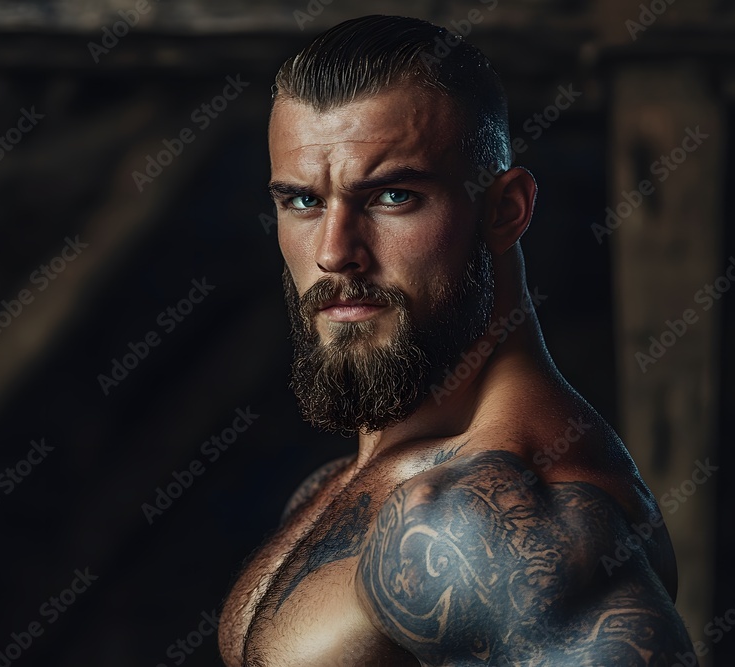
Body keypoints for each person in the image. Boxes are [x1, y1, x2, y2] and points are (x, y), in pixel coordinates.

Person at [218, 14, 696, 667]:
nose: (334, 252)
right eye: (303, 202)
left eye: (391, 195)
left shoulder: (491, 519)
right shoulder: (344, 484)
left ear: (505, 210)